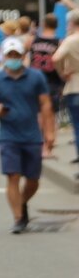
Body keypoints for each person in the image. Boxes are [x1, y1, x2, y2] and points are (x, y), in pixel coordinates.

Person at [0, 39, 54, 234]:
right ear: (4, 57)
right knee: (12, 176)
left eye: (16, 55)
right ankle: (18, 218)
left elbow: (45, 104)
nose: (13, 59)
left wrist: (49, 132)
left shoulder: (36, 77)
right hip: (8, 136)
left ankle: (21, 203)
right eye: (9, 55)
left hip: (32, 136)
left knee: (33, 180)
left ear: (23, 56)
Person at [28, 14, 62, 158]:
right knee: (51, 115)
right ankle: (48, 147)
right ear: (56, 25)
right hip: (53, 80)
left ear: (43, 24)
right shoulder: (58, 42)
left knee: (39, 115)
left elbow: (25, 54)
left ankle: (39, 144)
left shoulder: (33, 40)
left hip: (35, 79)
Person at [52, 10, 79, 173]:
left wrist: (62, 72)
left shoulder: (70, 40)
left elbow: (55, 59)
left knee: (77, 126)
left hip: (74, 85)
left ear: (72, 23)